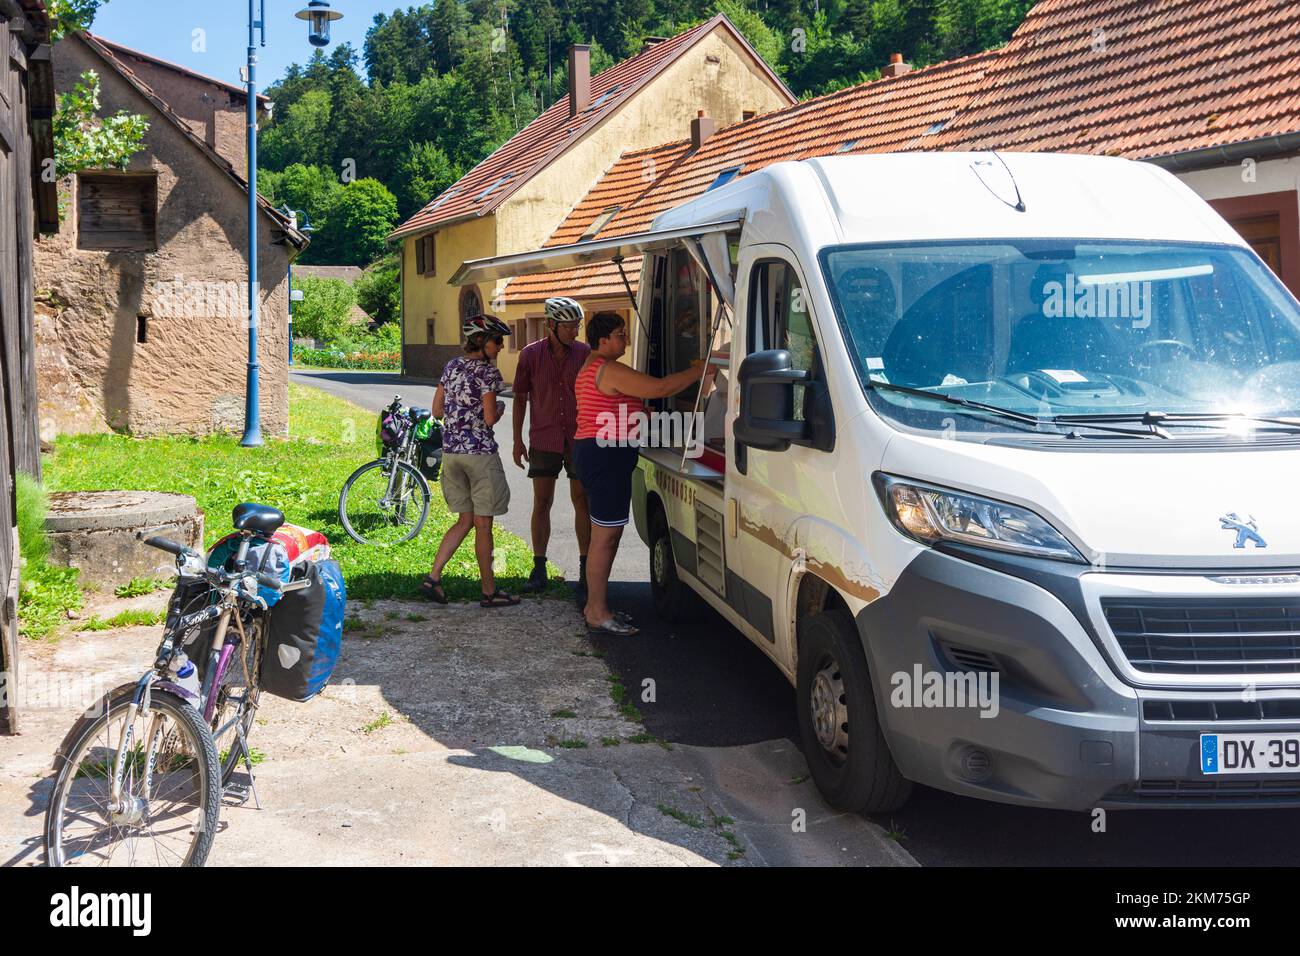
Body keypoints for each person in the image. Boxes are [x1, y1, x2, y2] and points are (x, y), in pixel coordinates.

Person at [574, 311, 716, 635]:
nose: (626, 338)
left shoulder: (592, 368)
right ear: (603, 340)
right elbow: (659, 387)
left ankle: (598, 605)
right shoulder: (608, 368)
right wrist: (698, 371)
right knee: (605, 537)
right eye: (620, 333)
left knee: (607, 534)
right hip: (604, 455)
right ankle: (596, 610)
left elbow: (619, 406)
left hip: (599, 453)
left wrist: (640, 413)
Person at [421, 314, 520, 608]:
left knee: (464, 520)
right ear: (481, 341)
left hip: (451, 454)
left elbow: (437, 411)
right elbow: (489, 418)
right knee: (483, 525)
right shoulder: (488, 373)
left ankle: (433, 577)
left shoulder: (451, 366)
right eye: (497, 341)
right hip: (479, 455)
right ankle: (489, 592)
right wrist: (499, 407)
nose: (501, 347)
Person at [511, 296, 591, 598]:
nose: (575, 332)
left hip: (579, 437)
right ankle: (539, 567)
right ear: (552, 325)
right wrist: (517, 439)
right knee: (541, 503)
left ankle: (585, 569)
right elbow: (519, 398)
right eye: (569, 326)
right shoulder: (530, 355)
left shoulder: (585, 354)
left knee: (582, 500)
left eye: (577, 326)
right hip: (543, 438)